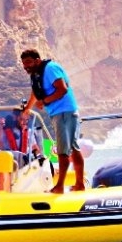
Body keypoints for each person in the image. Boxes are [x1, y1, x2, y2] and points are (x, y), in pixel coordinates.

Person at [20, 48, 85, 193]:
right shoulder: (37, 74)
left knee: (63, 150)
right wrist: (27, 110)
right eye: (24, 64)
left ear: (37, 60)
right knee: (72, 148)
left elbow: (62, 88)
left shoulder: (50, 68)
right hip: (59, 113)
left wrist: (45, 101)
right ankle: (79, 184)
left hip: (64, 112)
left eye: (29, 62)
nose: (26, 66)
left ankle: (59, 186)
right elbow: (35, 94)